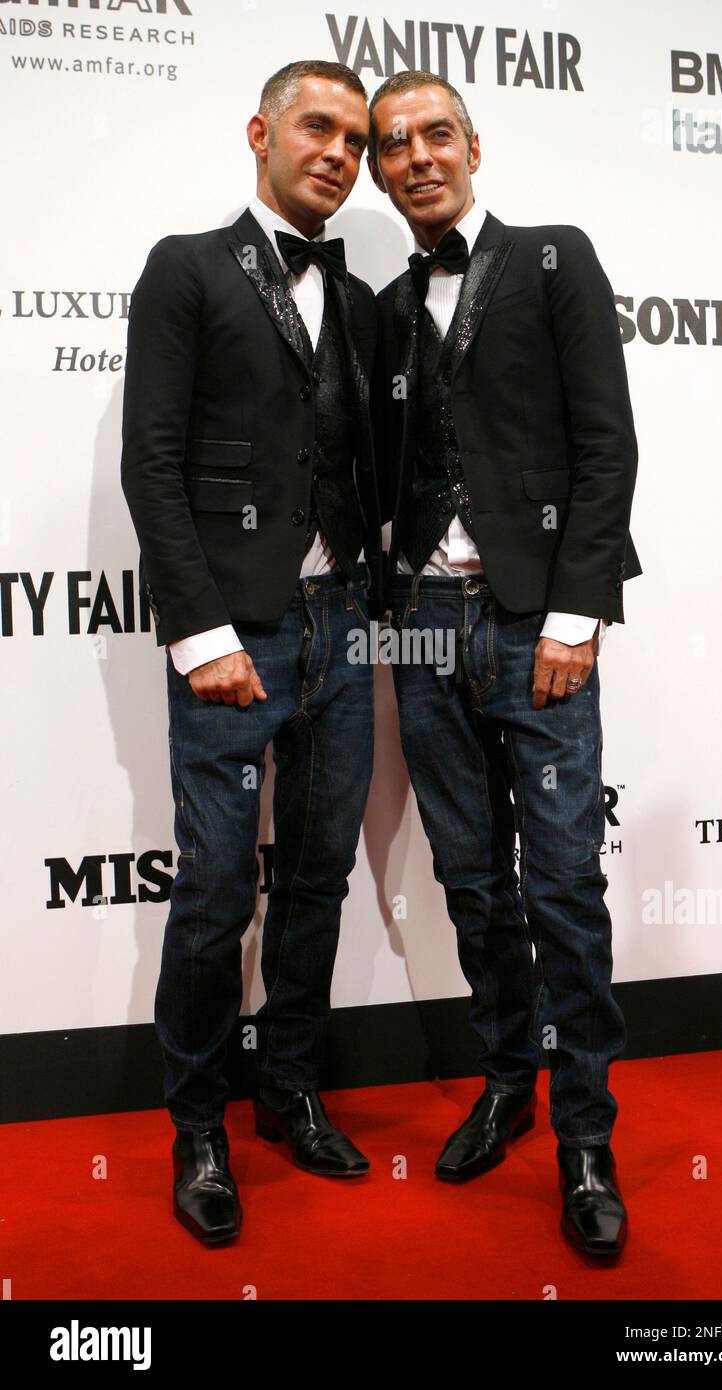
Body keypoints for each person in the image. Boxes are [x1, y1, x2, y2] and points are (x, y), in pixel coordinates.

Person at [368, 70, 642, 1257]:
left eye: (437, 134)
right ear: (379, 171)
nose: (418, 156)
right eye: (395, 145)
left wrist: (579, 616)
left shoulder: (552, 259)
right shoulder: (381, 303)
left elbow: (606, 439)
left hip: (538, 620)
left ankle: (586, 1134)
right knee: (474, 880)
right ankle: (506, 1081)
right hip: (423, 618)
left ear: (473, 146)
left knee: (565, 885)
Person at [121, 59, 382, 1246]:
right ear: (261, 133)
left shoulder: (363, 294)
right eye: (316, 127)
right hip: (236, 636)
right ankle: (200, 1126)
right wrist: (200, 631)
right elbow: (153, 465)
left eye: (355, 139)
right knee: (220, 891)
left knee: (317, 882)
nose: (337, 150)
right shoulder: (186, 265)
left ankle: (289, 1095)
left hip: (341, 626)